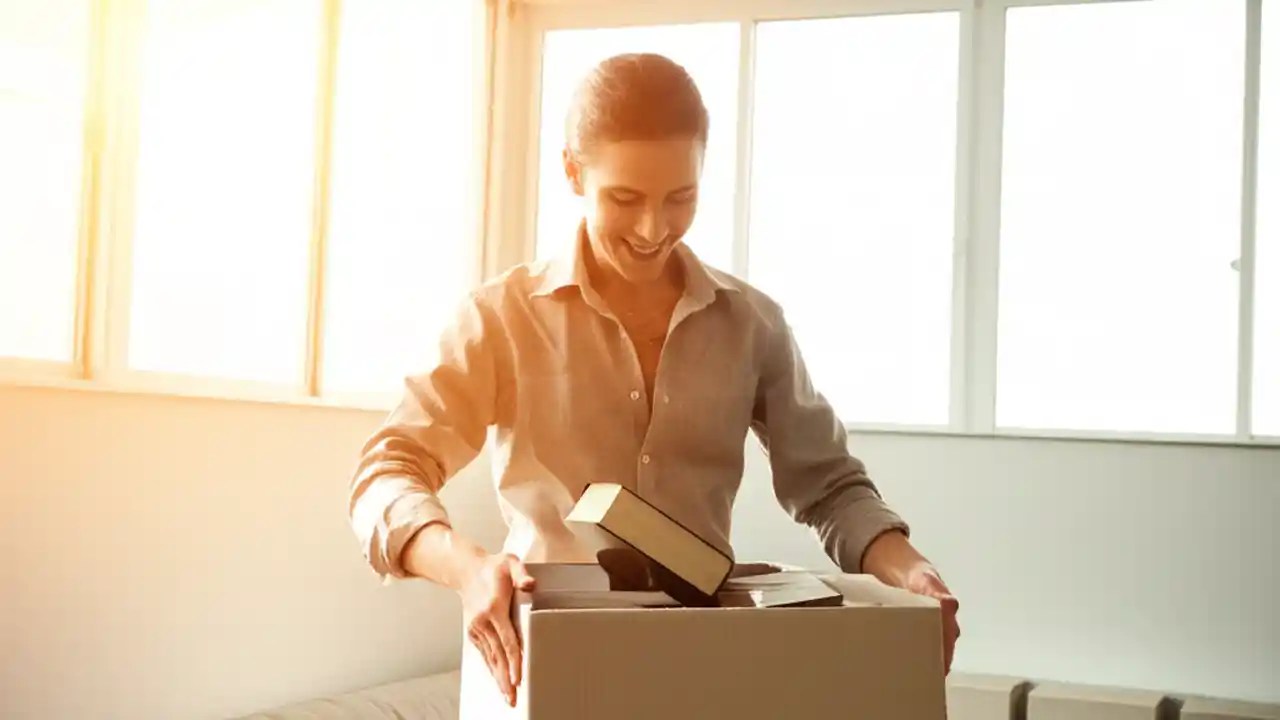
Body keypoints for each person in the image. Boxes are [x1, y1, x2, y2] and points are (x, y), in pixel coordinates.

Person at [348, 52, 960, 708]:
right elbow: (385, 476)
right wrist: (469, 570)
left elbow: (832, 489)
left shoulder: (752, 324)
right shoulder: (500, 316)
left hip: (701, 673)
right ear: (572, 172)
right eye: (625, 198)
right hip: (541, 666)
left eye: (681, 198)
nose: (653, 229)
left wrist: (911, 571)